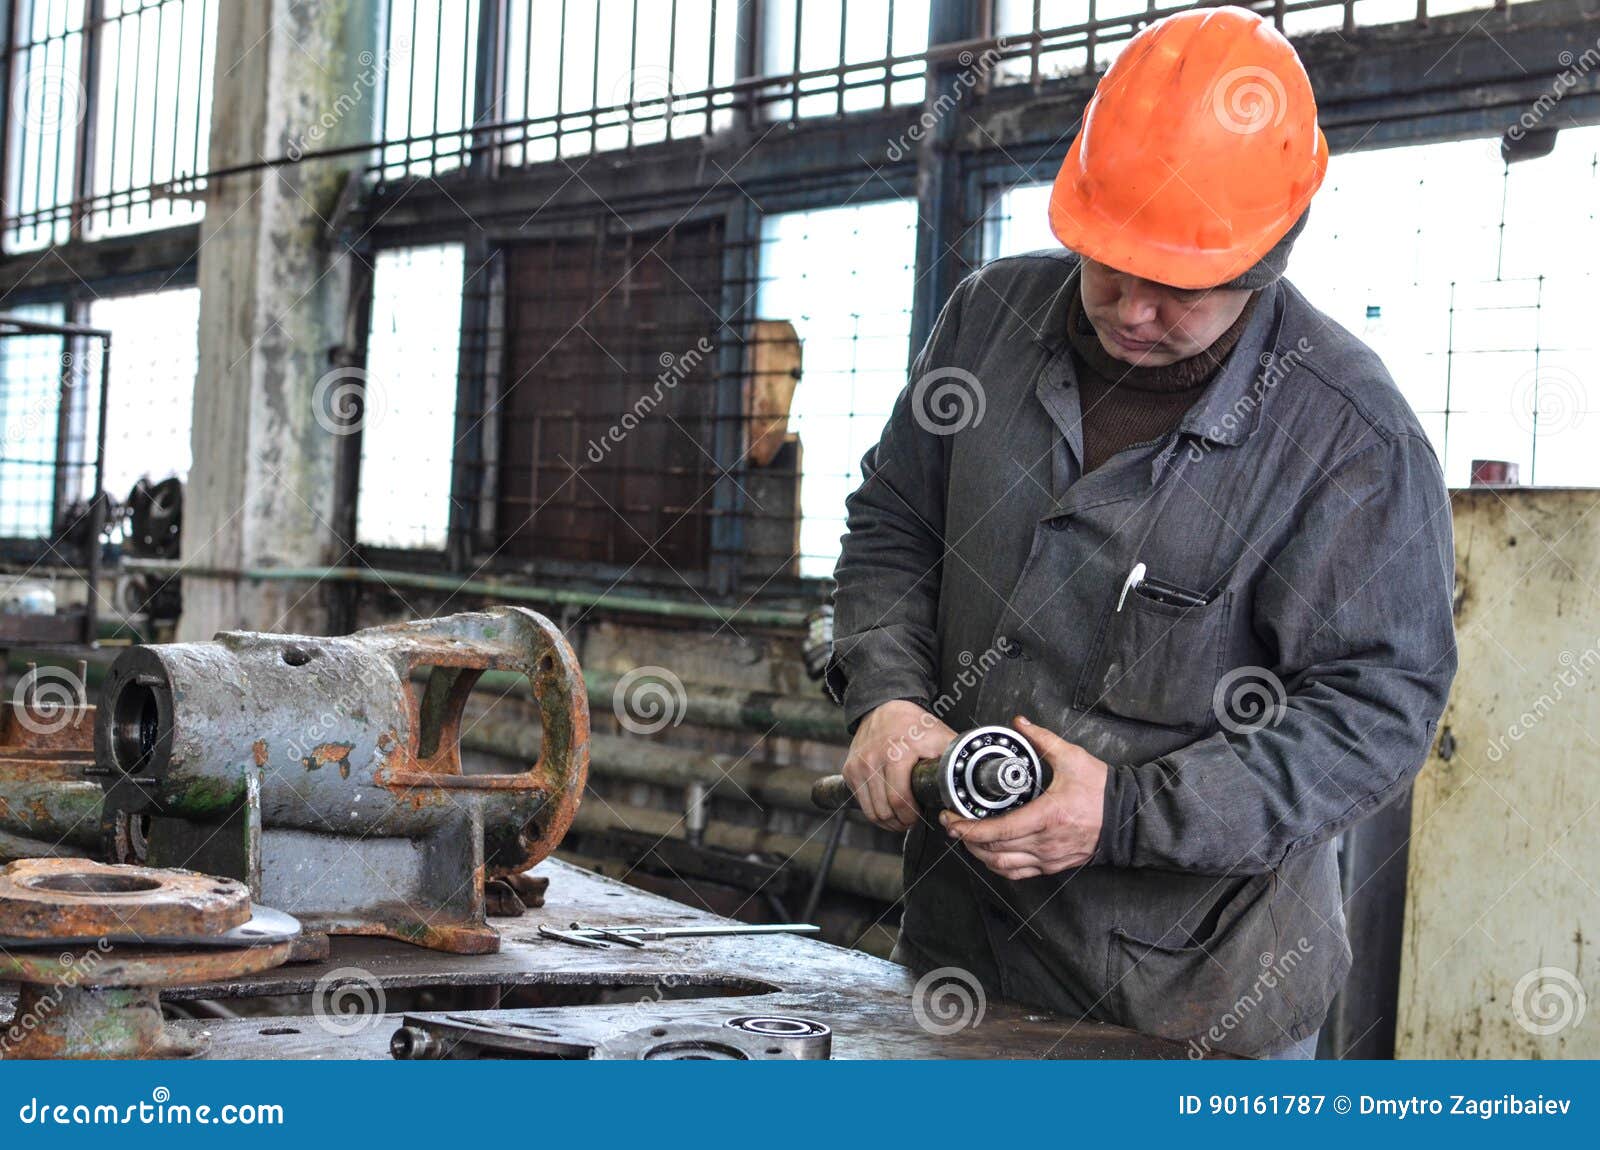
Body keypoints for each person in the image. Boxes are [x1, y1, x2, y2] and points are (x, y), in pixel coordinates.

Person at [825, 5, 1458, 1059]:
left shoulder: (1349, 438)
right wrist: (886, 694)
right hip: (959, 957)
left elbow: (1377, 711)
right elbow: (894, 523)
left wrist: (1123, 812)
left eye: (1179, 289)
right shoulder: (988, 321)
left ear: (1266, 256)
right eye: (1110, 264)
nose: (1130, 309)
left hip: (1193, 1006)